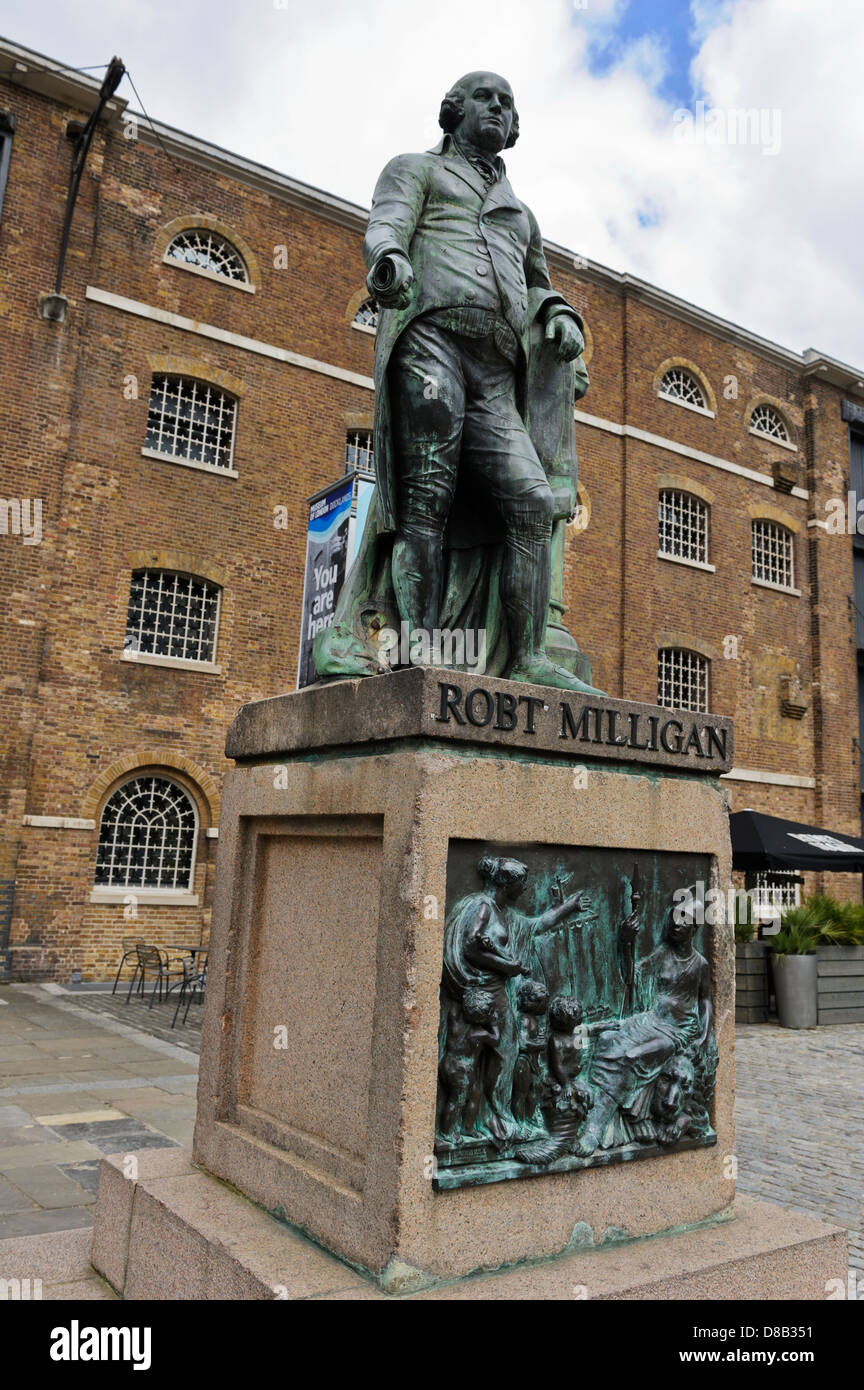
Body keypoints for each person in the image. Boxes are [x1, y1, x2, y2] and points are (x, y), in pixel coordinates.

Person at [314, 71, 602, 693]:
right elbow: (386, 226)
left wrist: (559, 314)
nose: (497, 108)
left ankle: (526, 657)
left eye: (508, 102)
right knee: (428, 498)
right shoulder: (415, 169)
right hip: (432, 340)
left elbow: (538, 282)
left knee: (529, 503)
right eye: (484, 98)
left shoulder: (521, 214)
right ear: (454, 110)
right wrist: (388, 260)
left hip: (495, 371)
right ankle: (422, 646)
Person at [439, 855, 587, 1144]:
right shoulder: (482, 906)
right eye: (522, 884)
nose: (525, 890)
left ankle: (491, 1118)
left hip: (498, 993)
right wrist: (509, 967)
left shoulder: (506, 913)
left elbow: (539, 924)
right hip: (487, 993)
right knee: (500, 1052)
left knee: (501, 1054)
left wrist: (568, 907)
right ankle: (490, 1121)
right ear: (506, 883)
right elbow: (470, 945)